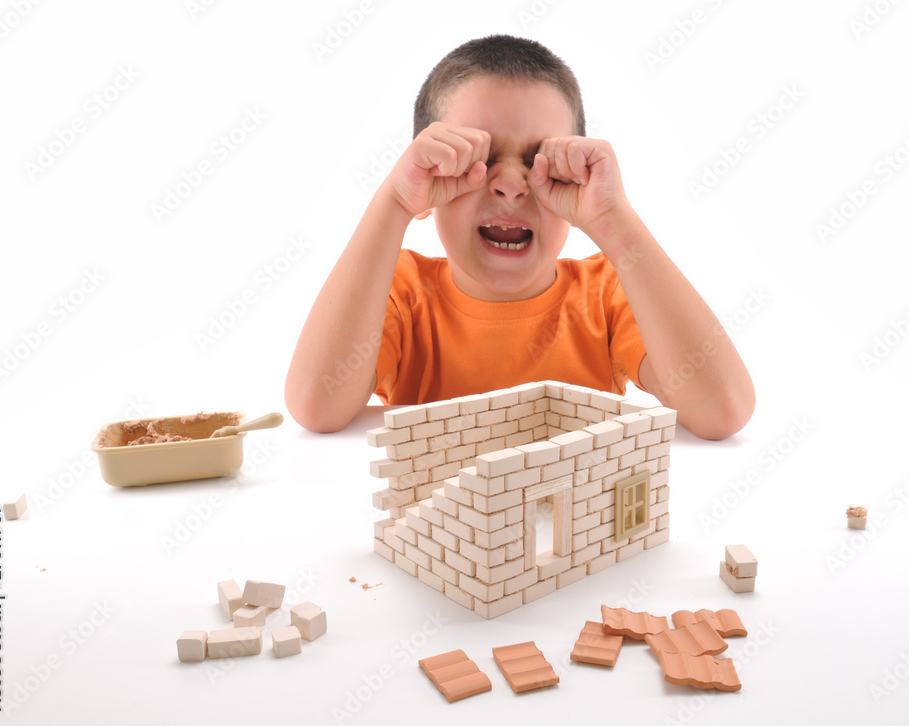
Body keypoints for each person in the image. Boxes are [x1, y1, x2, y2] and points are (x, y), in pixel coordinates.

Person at [286, 35, 753, 440]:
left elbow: (723, 410)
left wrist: (612, 217)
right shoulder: (402, 290)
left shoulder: (609, 292)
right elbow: (316, 406)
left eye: (538, 160)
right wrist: (392, 203)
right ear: (428, 180)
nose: (511, 183)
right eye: (480, 157)